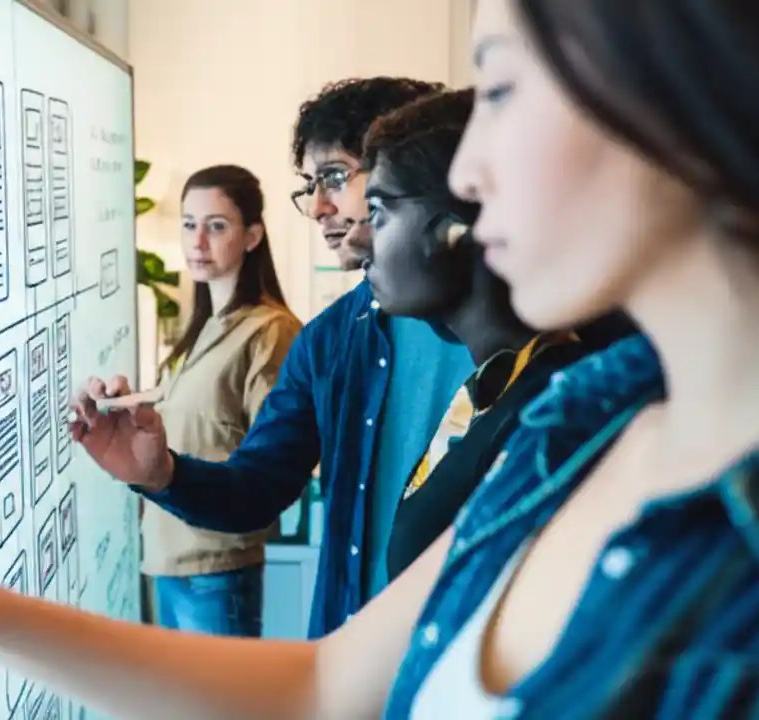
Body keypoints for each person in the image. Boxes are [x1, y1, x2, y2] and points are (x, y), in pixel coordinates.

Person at [0, 0, 759, 717]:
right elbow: (321, 686)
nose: (472, 171)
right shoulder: (582, 419)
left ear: (694, 71)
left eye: (497, 88)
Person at [75, 77, 473, 637]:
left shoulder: (505, 324)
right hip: (346, 654)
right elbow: (256, 489)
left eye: (335, 177)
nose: (317, 207)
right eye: (310, 185)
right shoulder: (329, 340)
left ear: (405, 168)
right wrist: (161, 474)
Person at [356, 88, 629, 579]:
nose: (359, 241)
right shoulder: (497, 385)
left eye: (378, 212)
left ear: (457, 220)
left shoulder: (554, 407)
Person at [143, 165, 301, 637]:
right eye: (189, 224)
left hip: (216, 564)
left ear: (252, 236)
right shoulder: (203, 327)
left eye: (216, 226)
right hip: (168, 558)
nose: (198, 241)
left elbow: (270, 463)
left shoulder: (270, 330)